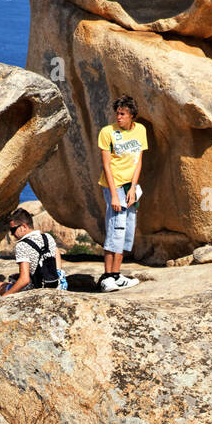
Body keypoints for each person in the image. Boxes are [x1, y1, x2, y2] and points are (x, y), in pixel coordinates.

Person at [97, 95, 146, 292]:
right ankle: (108, 276)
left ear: (132, 115)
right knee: (115, 228)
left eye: (123, 114)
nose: (118, 117)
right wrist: (114, 195)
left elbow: (138, 161)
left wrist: (133, 188)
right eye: (117, 113)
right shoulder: (107, 132)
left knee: (127, 230)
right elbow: (107, 166)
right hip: (113, 186)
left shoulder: (140, 130)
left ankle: (116, 275)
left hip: (130, 186)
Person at [0, 209, 66, 296]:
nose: (12, 234)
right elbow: (56, 254)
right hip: (58, 285)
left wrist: (3, 298)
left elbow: (24, 280)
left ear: (24, 227)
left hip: (37, 290)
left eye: (13, 230)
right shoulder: (48, 237)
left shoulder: (22, 245)